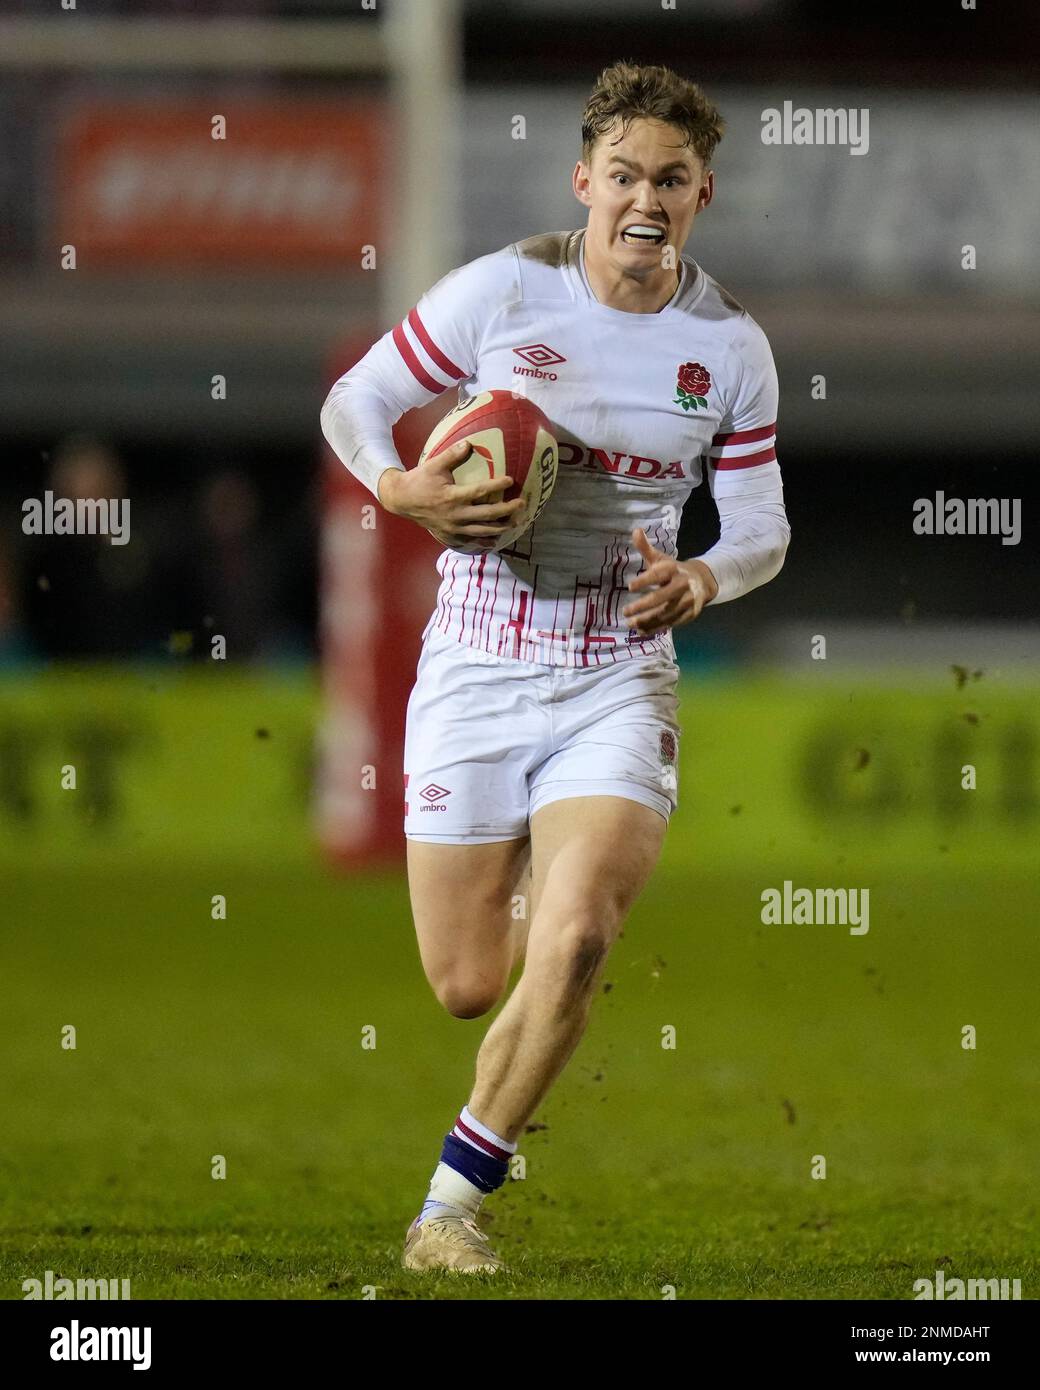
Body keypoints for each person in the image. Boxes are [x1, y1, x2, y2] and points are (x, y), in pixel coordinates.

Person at [320, 60, 790, 1274]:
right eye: (623, 174)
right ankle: (540, 865)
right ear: (584, 180)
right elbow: (358, 397)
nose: (645, 198)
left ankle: (447, 1209)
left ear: (701, 195)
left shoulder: (728, 348)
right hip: (476, 655)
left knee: (575, 937)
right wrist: (398, 484)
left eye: (671, 180)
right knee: (470, 983)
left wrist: (703, 577)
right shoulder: (502, 293)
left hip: (615, 667)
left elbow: (758, 526)